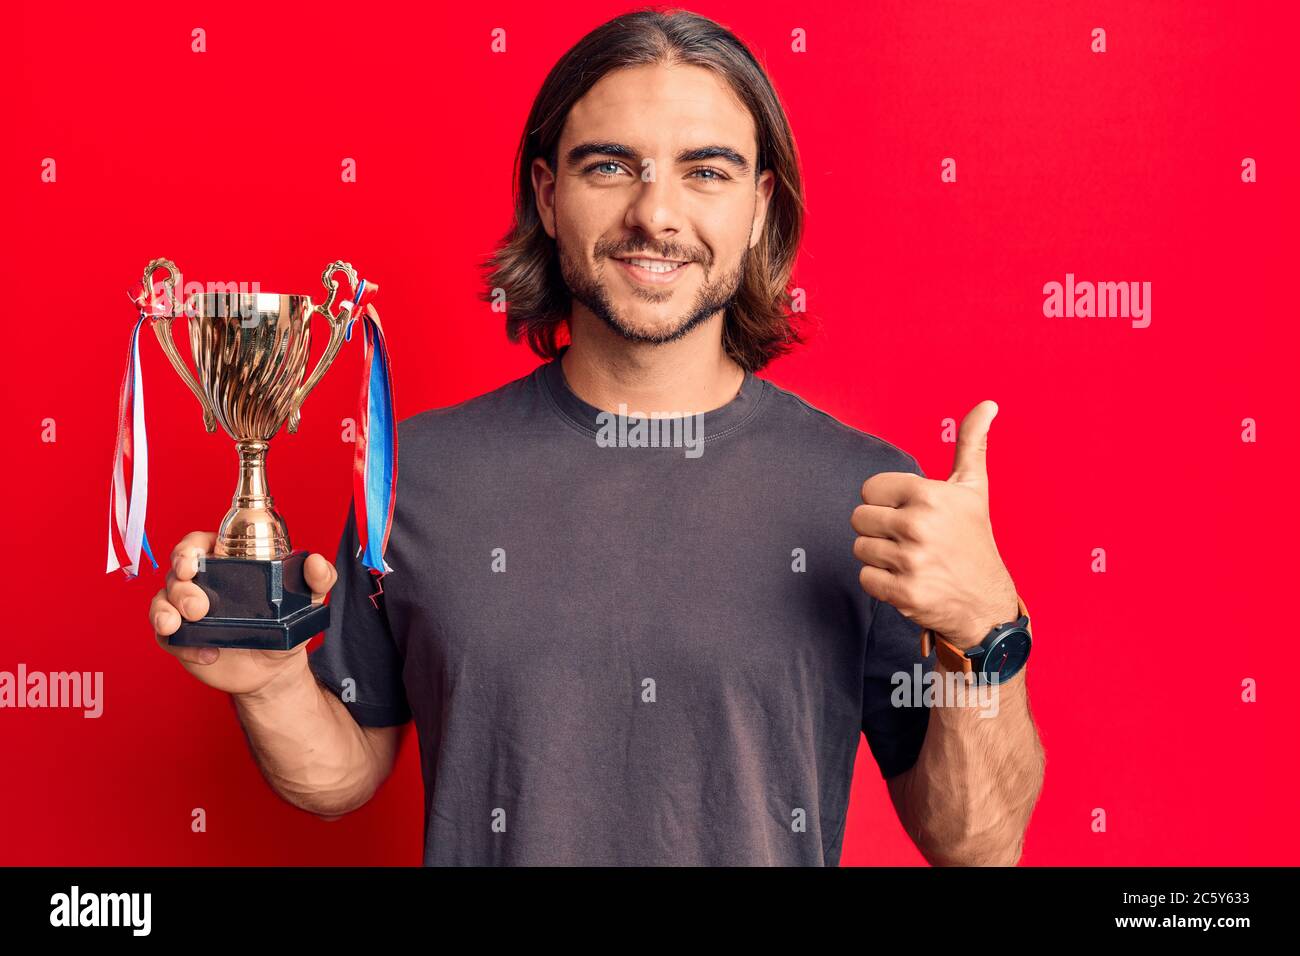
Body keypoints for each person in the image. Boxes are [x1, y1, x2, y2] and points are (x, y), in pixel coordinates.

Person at [150, 8, 1044, 866]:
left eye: (707, 170)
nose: (656, 214)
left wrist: (988, 631)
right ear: (547, 194)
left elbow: (974, 845)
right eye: (611, 167)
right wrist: (270, 686)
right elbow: (343, 774)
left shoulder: (868, 496)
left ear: (760, 205)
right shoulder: (408, 476)